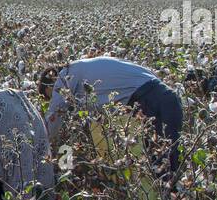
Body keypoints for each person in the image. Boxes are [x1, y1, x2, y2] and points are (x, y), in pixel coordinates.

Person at [40, 55, 184, 175]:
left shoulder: (65, 75)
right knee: (170, 162)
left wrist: (44, 147)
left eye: (50, 96)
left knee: (161, 165)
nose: (53, 98)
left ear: (50, 84)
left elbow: (54, 117)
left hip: (150, 102)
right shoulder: (86, 67)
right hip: (167, 98)